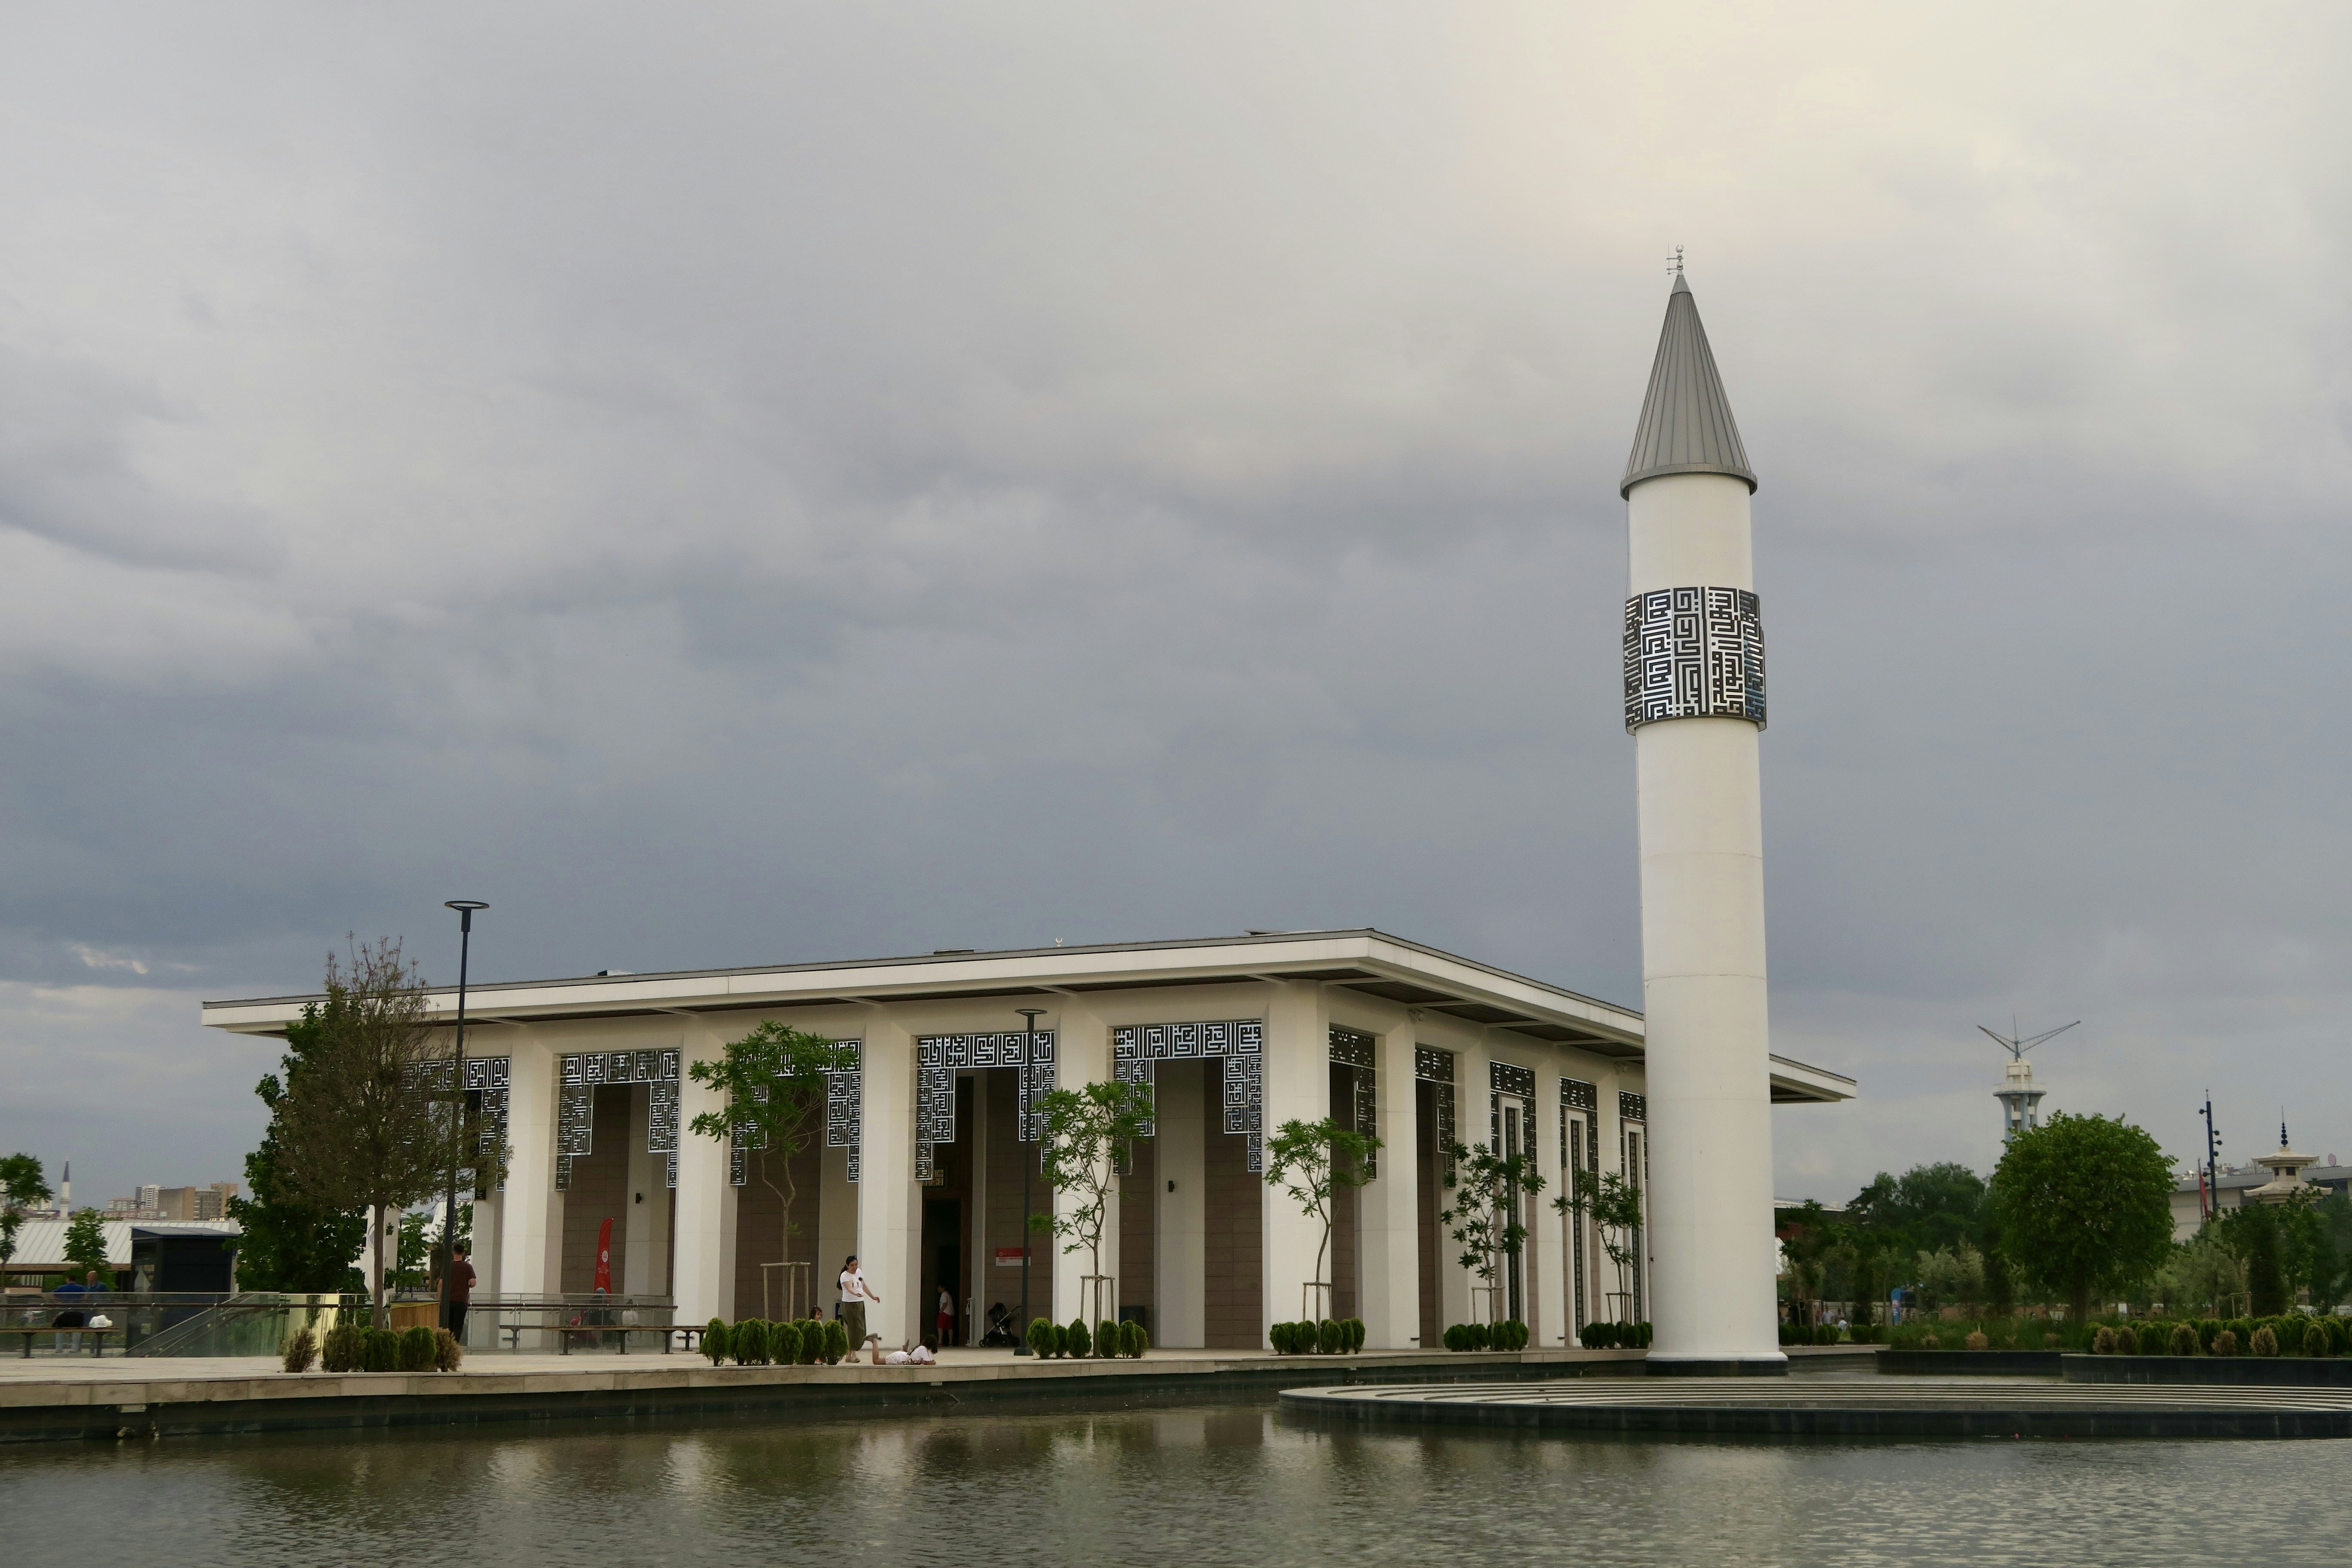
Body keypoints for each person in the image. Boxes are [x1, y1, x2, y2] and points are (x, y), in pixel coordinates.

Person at [837, 1255, 881, 1348]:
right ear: (847, 1266)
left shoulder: (859, 1272)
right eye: (852, 1265)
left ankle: (853, 1351)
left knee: (861, 1328)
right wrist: (855, 1294)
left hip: (860, 1303)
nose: (855, 1267)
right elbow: (849, 1288)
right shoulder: (844, 1276)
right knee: (854, 1328)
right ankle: (853, 1352)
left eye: (856, 1265)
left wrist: (873, 1297)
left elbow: (863, 1286)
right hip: (849, 1304)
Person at [442, 1244, 476, 1345]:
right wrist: (468, 1286)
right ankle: (455, 1346)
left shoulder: (448, 1266)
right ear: (463, 1253)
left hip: (448, 1301)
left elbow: (441, 1284)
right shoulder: (467, 1267)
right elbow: (473, 1283)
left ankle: (447, 1345)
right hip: (461, 1301)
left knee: (448, 1325)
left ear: (453, 1252)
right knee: (458, 1326)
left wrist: (440, 1299)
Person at [936, 1284, 954, 1349]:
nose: (938, 1289)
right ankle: (951, 1343)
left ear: (943, 1288)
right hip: (950, 1313)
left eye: (940, 1287)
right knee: (950, 1328)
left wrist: (941, 1310)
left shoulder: (944, 1294)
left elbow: (945, 1303)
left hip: (945, 1313)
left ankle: (940, 1342)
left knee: (940, 1327)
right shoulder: (948, 1295)